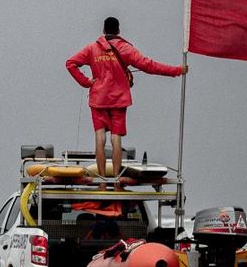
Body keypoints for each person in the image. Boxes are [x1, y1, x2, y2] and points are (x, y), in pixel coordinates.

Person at [65, 16, 185, 179]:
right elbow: (148, 65)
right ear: (118, 30)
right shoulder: (125, 49)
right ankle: (115, 180)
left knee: (99, 139)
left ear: (103, 30)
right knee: (116, 139)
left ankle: (101, 181)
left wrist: (86, 82)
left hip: (98, 99)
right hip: (118, 100)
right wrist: (177, 70)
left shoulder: (92, 49)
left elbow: (70, 63)